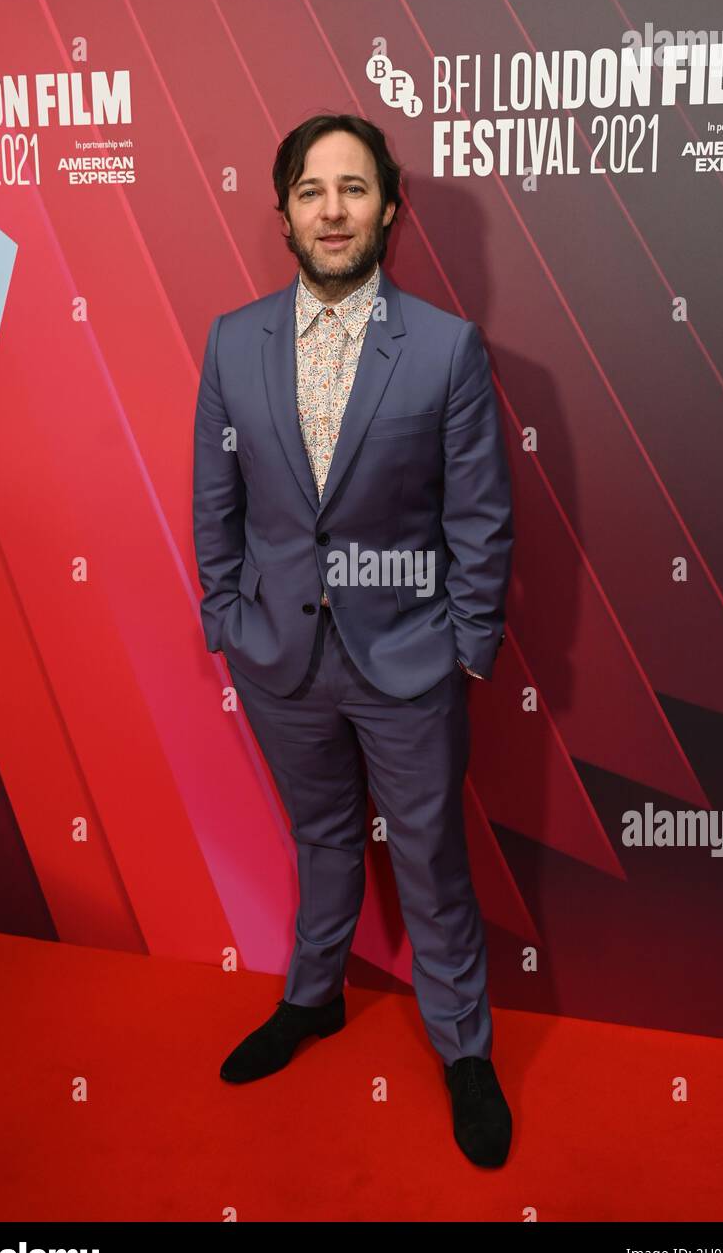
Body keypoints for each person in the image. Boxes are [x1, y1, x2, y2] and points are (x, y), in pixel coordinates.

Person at [192, 112, 514, 1167]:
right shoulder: (232, 341)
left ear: (389, 207)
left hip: (409, 659)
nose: (332, 210)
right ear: (282, 213)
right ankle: (312, 997)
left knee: (427, 856)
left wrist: (468, 645)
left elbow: (477, 511)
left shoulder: (445, 347)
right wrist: (224, 617)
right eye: (310, 191)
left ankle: (464, 1050)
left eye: (353, 188)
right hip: (280, 658)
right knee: (321, 840)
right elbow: (216, 497)